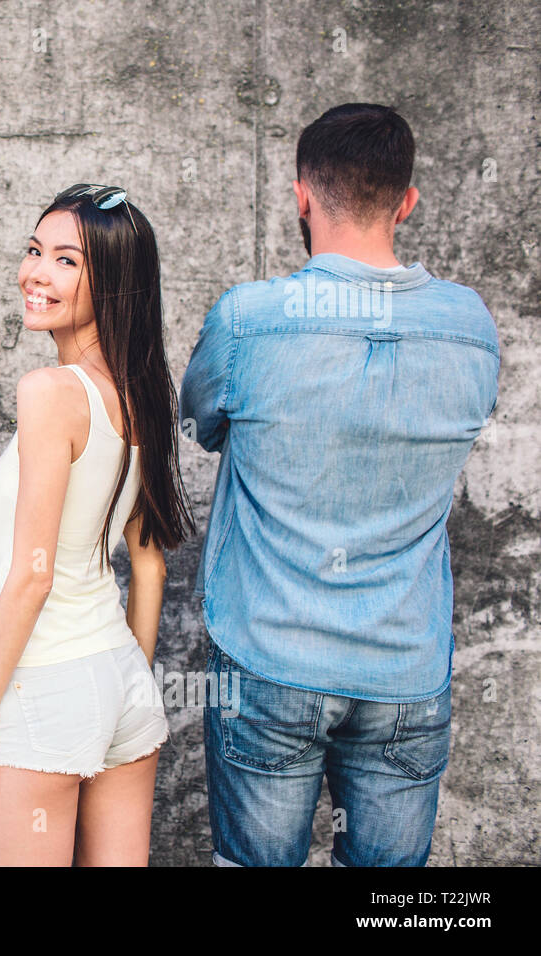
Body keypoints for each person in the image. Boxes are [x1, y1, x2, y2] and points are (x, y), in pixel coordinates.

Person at [180, 104, 500, 867]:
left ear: (300, 196)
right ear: (408, 201)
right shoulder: (471, 326)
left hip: (269, 657)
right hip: (403, 669)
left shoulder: (250, 321)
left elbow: (202, 424)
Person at [0, 184, 194, 866]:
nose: (35, 272)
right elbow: (149, 566)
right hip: (120, 680)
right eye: (35, 251)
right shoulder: (140, 392)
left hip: (43, 687)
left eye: (66, 261)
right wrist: (127, 685)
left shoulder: (50, 393)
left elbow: (32, 577)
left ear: (112, 282)